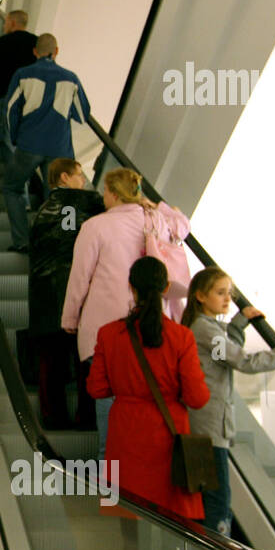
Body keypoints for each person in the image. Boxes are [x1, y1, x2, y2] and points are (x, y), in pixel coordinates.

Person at [87, 256, 209, 550]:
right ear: (163, 290)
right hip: (169, 451)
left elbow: (97, 388)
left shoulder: (108, 334)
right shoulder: (181, 338)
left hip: (126, 448)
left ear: (132, 288)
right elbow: (197, 397)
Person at [62, 168, 191, 457]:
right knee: (149, 402)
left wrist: (70, 318)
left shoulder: (95, 226)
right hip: (154, 325)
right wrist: (159, 206)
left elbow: (80, 277)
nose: (103, 197)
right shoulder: (155, 219)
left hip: (106, 327)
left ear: (114, 193)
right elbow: (184, 225)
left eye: (106, 191)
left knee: (109, 402)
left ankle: (111, 477)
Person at [183, 268, 275, 536]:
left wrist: (238, 323)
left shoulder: (205, 327)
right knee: (218, 503)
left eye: (229, 294)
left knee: (214, 500)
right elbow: (243, 361)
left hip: (207, 425)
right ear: (200, 296)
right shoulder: (205, 329)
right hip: (209, 428)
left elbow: (223, 351)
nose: (227, 299)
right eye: (220, 293)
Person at [27, 160, 105, 430]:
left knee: (51, 361)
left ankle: (53, 419)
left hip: (43, 295)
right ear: (64, 177)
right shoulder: (78, 203)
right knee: (85, 357)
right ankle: (87, 418)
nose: (83, 181)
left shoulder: (40, 211)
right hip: (72, 292)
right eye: (79, 175)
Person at [3, 33, 92, 252]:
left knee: (12, 189)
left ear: (35, 51)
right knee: (55, 196)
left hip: (28, 145)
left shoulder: (23, 74)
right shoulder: (70, 78)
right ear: (57, 51)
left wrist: (15, 138)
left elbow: (10, 110)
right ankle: (54, 244)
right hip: (59, 149)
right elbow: (83, 114)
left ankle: (22, 241)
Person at [0, 9, 37, 159]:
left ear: (12, 22)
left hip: (7, 95)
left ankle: (15, 178)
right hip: (30, 99)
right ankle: (24, 178)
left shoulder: (4, 42)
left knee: (6, 138)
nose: (4, 26)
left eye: (6, 22)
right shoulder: (37, 42)